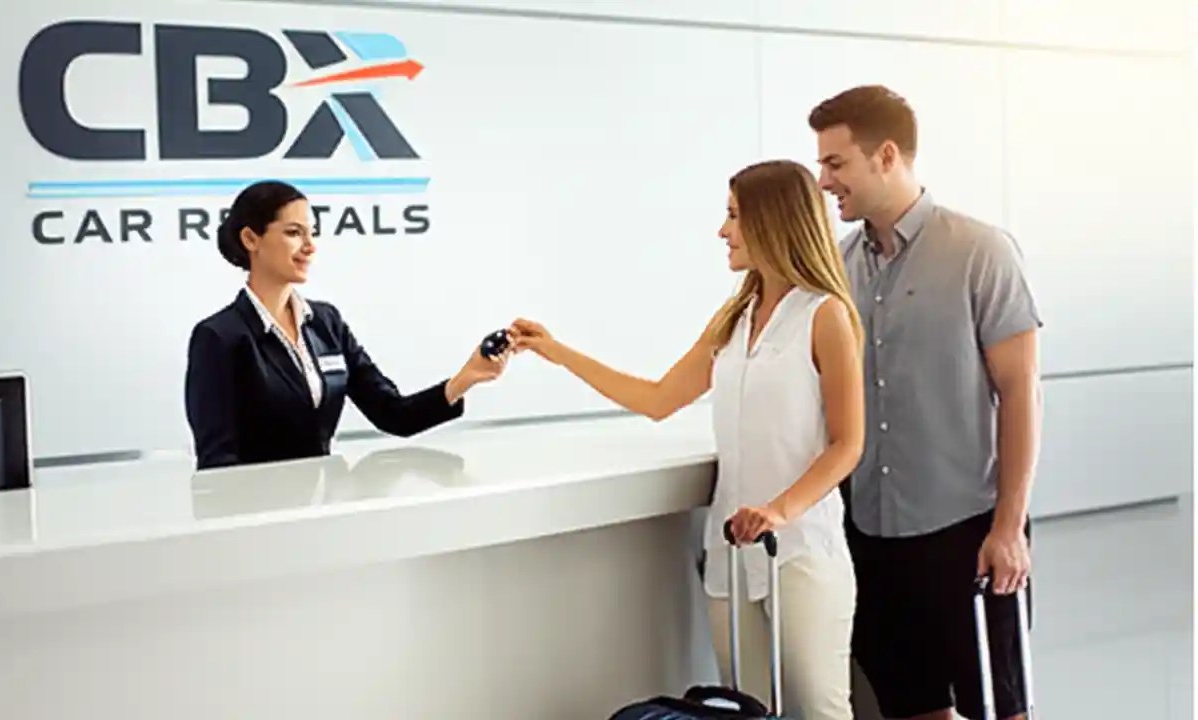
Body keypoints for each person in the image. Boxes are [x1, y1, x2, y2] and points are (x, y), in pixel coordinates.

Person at [510, 160, 865, 720]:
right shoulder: (734, 318)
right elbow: (656, 399)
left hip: (799, 550)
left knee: (821, 709)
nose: (722, 231)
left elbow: (847, 444)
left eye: (732, 216)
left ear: (773, 221)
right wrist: (557, 351)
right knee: (743, 709)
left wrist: (778, 510)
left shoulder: (825, 315)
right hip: (729, 553)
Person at [808, 85, 1043, 720]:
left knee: (1000, 707)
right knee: (910, 707)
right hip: (875, 536)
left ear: (886, 156)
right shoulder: (839, 264)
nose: (825, 180)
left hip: (968, 530)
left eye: (836, 164)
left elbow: (1020, 393)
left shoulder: (980, 251)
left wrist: (1009, 528)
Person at [184, 180, 509, 470]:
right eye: (294, 233)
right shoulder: (219, 337)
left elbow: (392, 413)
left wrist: (466, 378)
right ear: (250, 239)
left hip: (324, 511)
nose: (310, 246)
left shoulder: (326, 323)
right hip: (260, 522)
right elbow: (218, 465)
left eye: (313, 233)